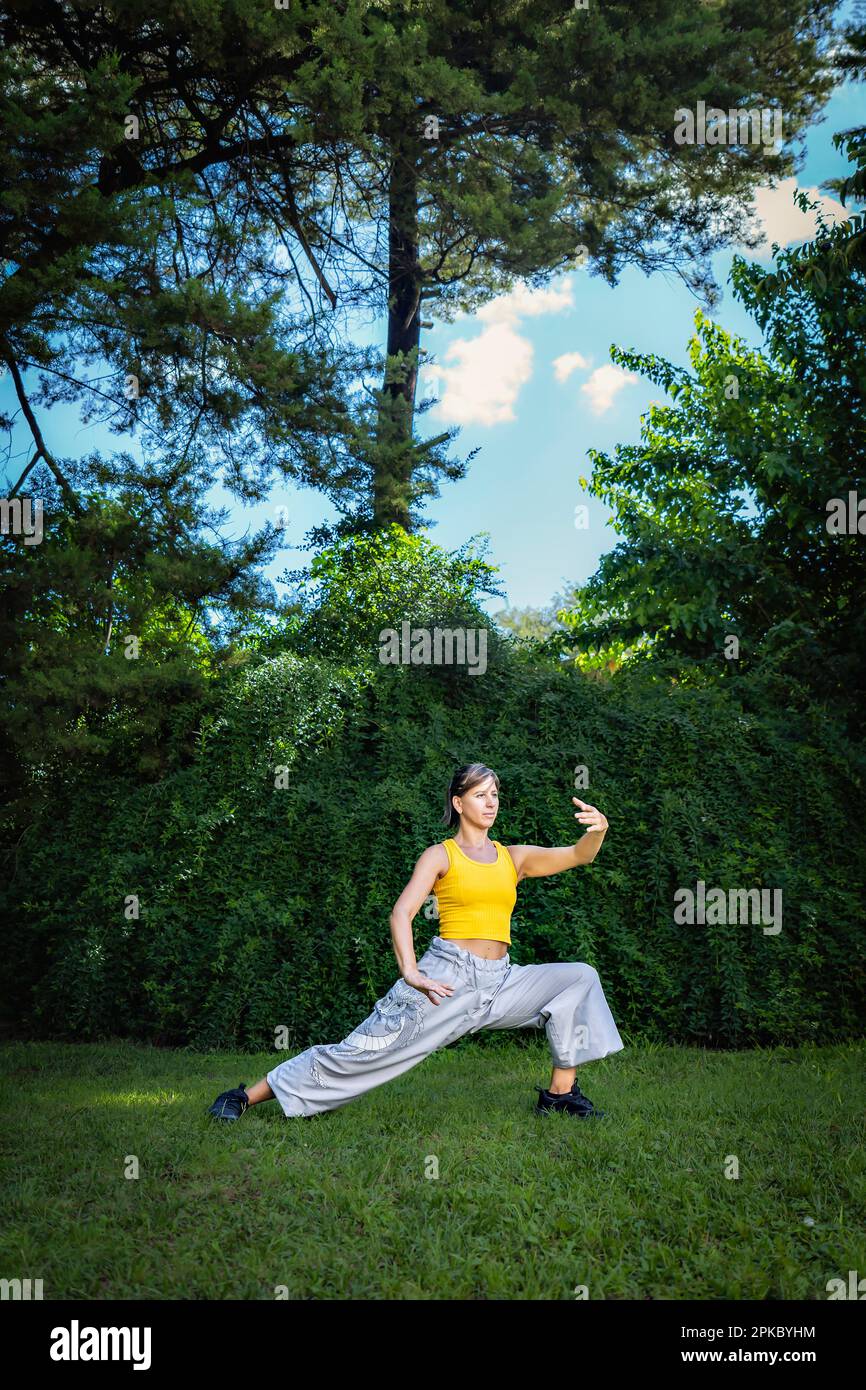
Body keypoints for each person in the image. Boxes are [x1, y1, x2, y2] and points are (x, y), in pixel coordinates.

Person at [207, 762, 624, 1123]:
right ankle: (244, 1096)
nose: (491, 802)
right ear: (459, 803)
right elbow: (402, 912)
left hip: (500, 981)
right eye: (481, 795)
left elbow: (578, 855)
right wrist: (411, 971)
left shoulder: (512, 857)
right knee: (363, 1051)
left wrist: (598, 831)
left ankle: (559, 1097)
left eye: (495, 794)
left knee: (578, 979)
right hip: (446, 980)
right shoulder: (440, 855)